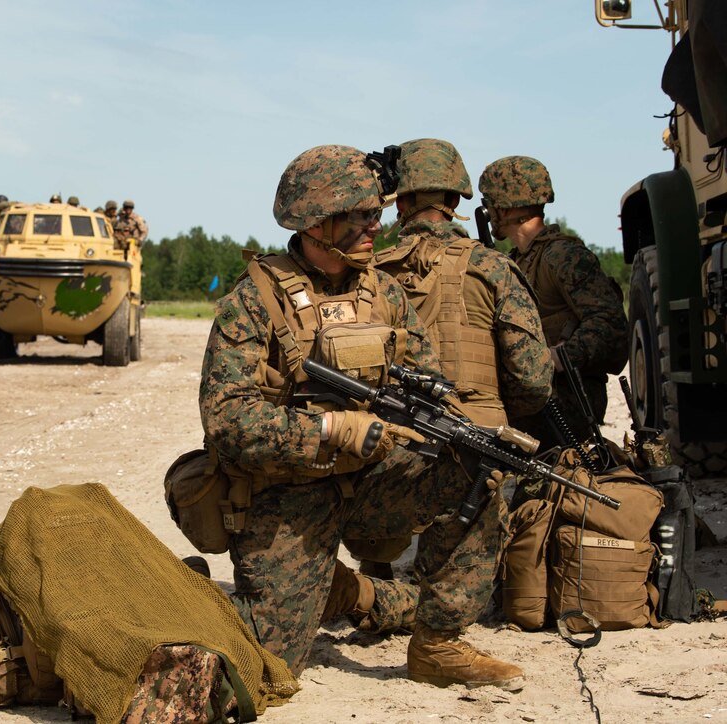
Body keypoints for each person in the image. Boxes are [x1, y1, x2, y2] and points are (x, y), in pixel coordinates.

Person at [199, 144, 525, 691]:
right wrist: (329, 429)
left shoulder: (385, 293)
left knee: (475, 469)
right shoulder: (254, 300)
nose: (378, 226)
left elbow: (428, 381)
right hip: (286, 498)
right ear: (318, 223)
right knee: (267, 673)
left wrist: (454, 426)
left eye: (378, 214)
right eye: (363, 216)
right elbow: (227, 419)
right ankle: (346, 593)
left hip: (371, 484)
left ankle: (437, 644)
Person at [344, 139, 553, 595]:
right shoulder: (493, 268)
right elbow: (534, 380)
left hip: (387, 450)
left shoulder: (367, 274)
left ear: (399, 202)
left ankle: (374, 575)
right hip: (474, 448)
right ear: (456, 202)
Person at [478, 156, 627, 447]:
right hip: (535, 402)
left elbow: (609, 325)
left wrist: (554, 359)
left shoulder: (562, 256)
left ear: (504, 207)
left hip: (566, 403)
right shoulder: (515, 262)